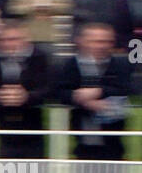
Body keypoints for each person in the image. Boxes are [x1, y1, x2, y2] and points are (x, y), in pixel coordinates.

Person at [51, 22, 132, 161]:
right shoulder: (69, 65)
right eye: (97, 41)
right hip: (81, 134)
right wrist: (81, 99)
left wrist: (98, 92)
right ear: (81, 41)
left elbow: (126, 88)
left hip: (113, 138)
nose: (103, 46)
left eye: (108, 42)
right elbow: (58, 91)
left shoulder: (121, 64)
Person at [0, 21, 49, 159]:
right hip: (3, 124)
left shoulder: (40, 57)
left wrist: (27, 96)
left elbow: (48, 89)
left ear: (26, 39)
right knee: (5, 172)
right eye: (3, 40)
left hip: (32, 123)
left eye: (13, 39)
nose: (8, 44)